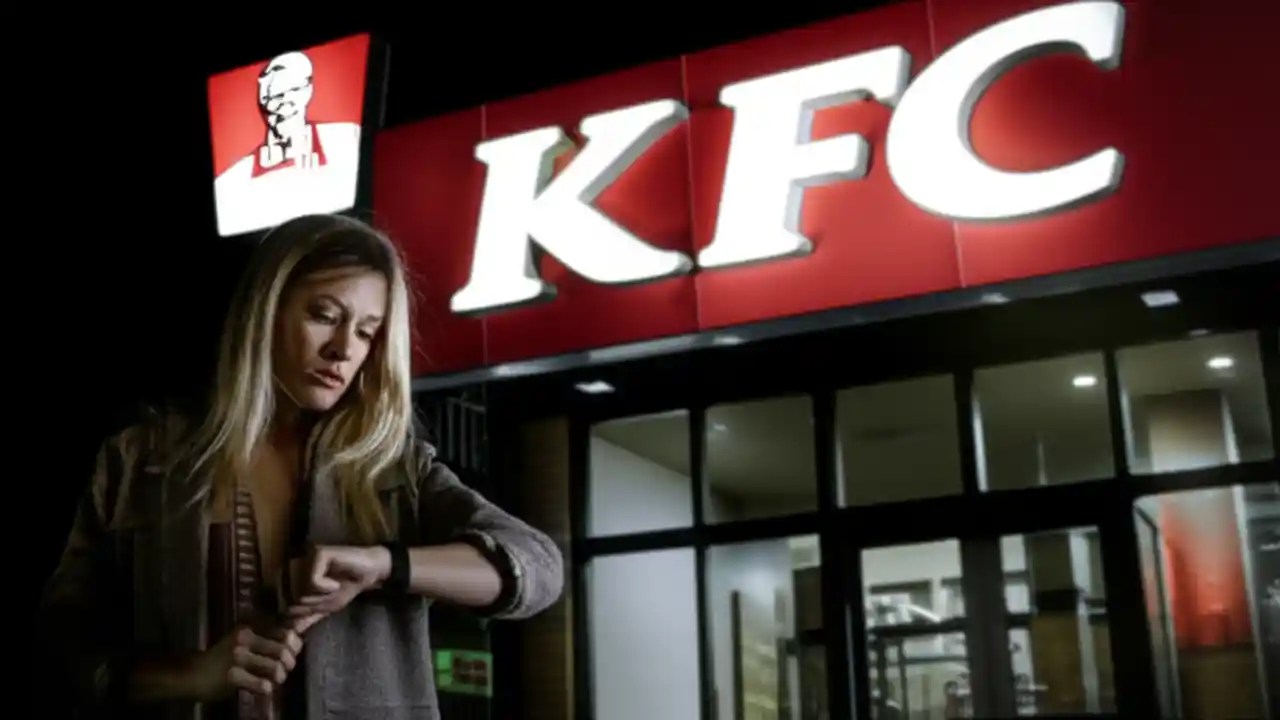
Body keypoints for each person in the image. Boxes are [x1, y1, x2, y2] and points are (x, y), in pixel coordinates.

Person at [38, 214, 564, 720]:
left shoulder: (389, 469)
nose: (343, 350)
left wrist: (385, 565)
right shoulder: (141, 461)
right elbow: (60, 654)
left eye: (366, 332)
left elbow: (539, 569)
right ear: (265, 311)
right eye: (325, 316)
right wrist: (190, 675)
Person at [214, 51, 363, 238]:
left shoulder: (348, 140)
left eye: (287, 95)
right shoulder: (229, 183)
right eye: (270, 99)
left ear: (308, 91)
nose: (278, 108)